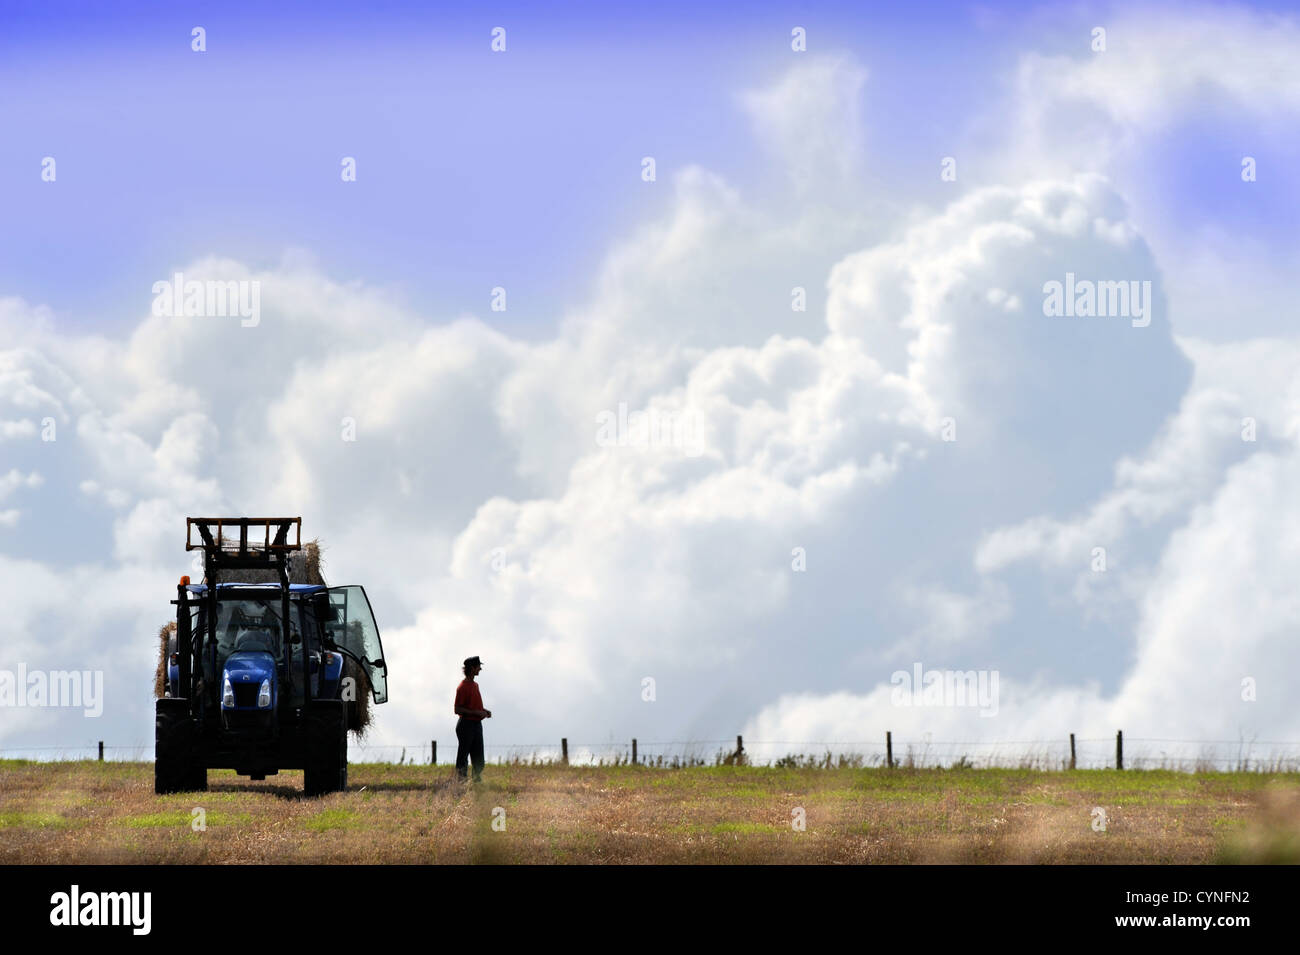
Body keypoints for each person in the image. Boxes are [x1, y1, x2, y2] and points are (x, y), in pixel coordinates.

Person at [453, 656, 491, 782]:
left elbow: (473, 705)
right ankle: (461, 782)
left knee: (478, 756)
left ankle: (476, 781)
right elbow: (457, 709)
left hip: (476, 724)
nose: (480, 669)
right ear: (472, 668)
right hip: (466, 725)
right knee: (463, 756)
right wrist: (475, 712)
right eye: (478, 666)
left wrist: (484, 711)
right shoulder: (462, 687)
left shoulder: (475, 685)